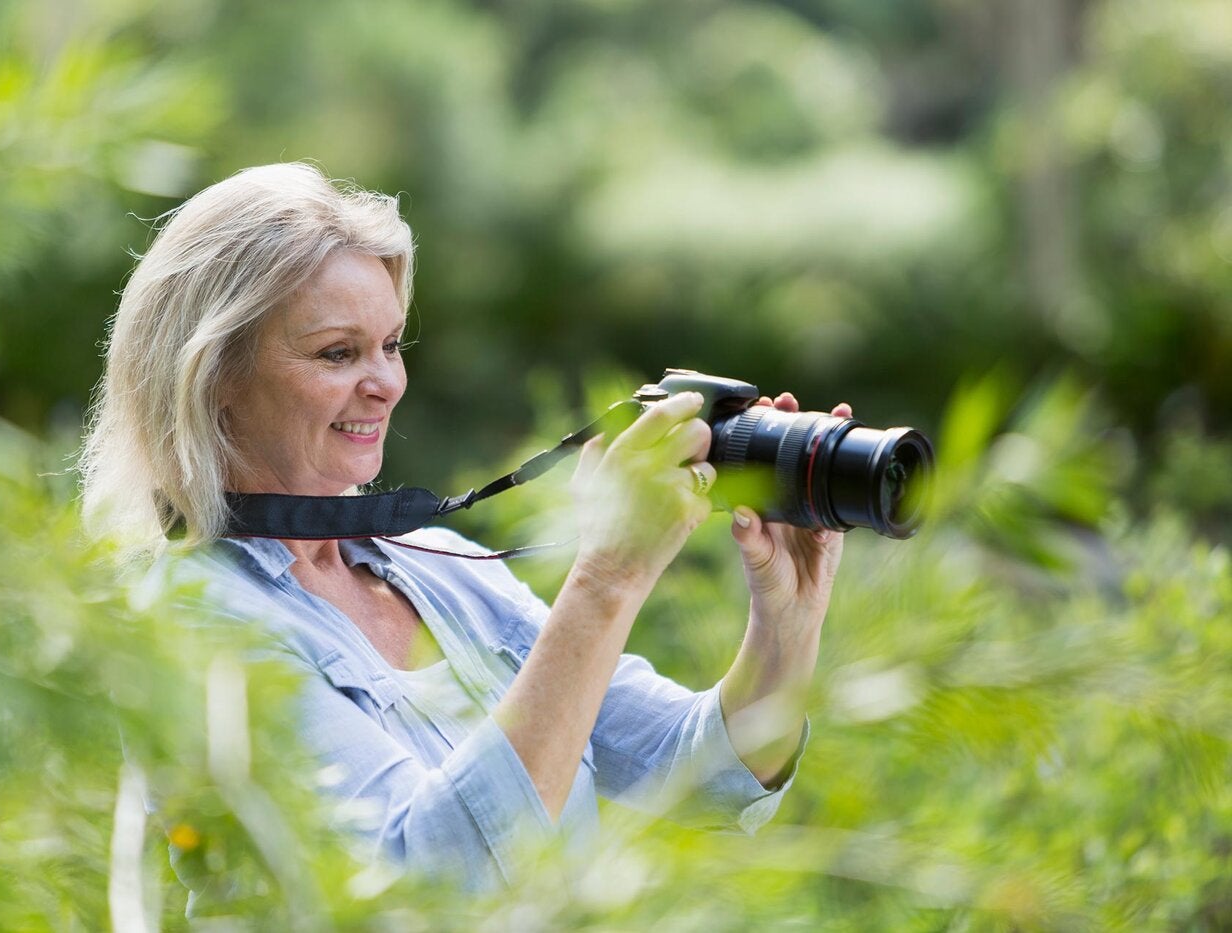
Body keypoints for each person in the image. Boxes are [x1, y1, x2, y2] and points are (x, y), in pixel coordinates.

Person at [79, 162, 852, 895]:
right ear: (213, 379)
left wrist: (787, 615)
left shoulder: (440, 563)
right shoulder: (181, 618)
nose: (385, 383)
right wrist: (607, 577)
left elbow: (701, 776)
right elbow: (431, 884)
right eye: (337, 352)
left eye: (389, 344)